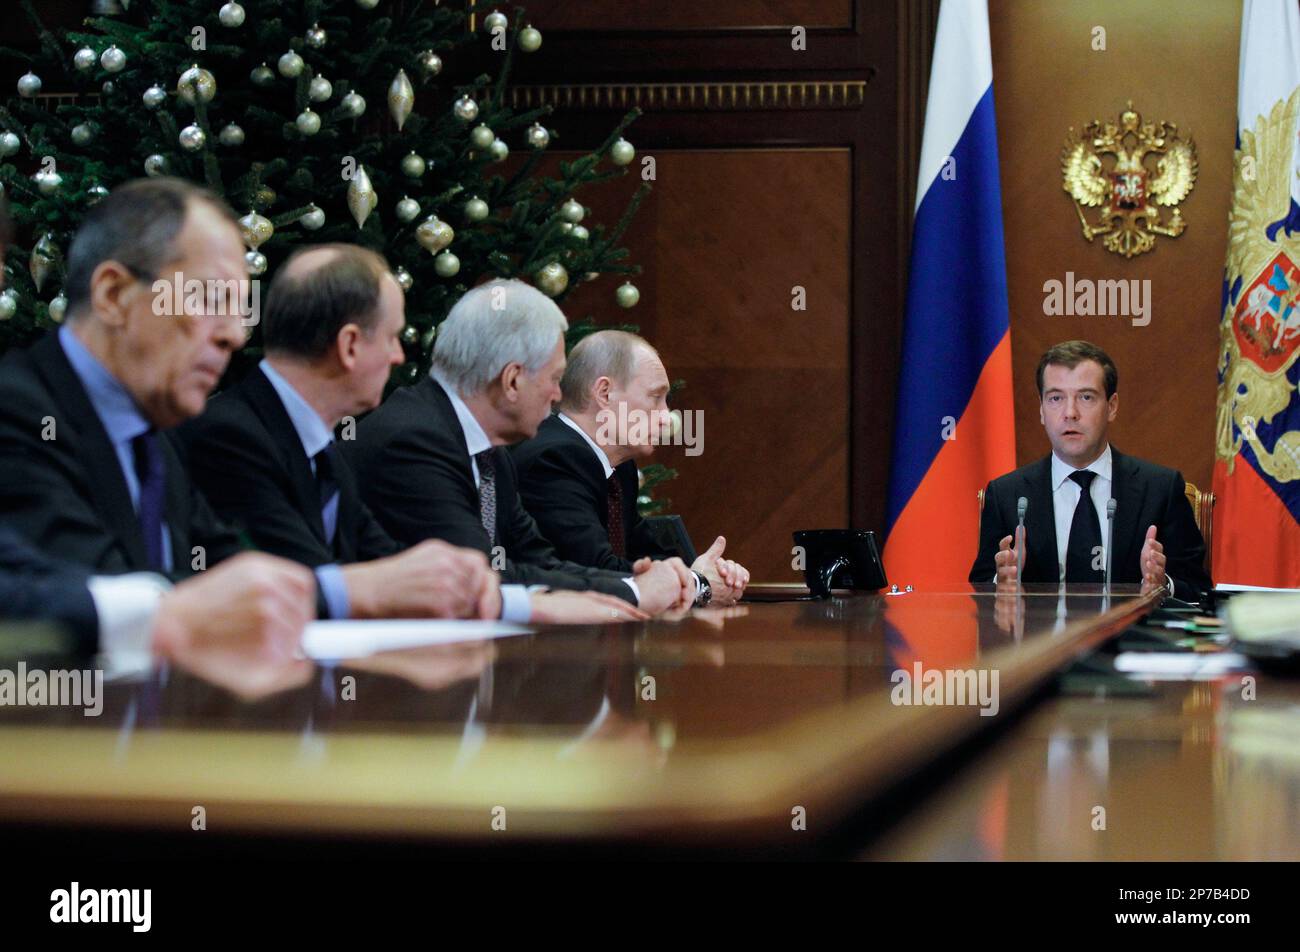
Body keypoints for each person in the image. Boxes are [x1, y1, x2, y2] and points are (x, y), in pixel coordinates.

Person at [178, 245, 643, 624]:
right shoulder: (233, 435)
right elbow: (309, 584)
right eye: (392, 338)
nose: (400, 358)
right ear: (350, 345)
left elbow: (393, 565)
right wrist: (530, 603)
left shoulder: (324, 448)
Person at [0, 187, 313, 658]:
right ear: (114, 294)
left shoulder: (154, 432)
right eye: (212, 299)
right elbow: (91, 591)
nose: (235, 333)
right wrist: (352, 591)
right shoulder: (19, 410)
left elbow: (228, 572)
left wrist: (352, 589)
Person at [343, 279, 695, 616]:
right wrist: (634, 591)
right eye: (555, 379)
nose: (558, 395)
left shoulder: (492, 453)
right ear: (512, 380)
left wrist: (641, 584)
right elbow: (477, 579)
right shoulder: (415, 441)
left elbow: (539, 562)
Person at [513, 330, 749, 605]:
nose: (666, 417)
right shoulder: (555, 458)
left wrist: (710, 573)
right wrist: (697, 583)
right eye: (655, 397)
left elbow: (644, 557)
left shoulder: (618, 470)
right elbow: (596, 571)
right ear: (604, 393)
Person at [969, 340, 1211, 600]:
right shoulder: (1006, 495)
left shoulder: (1160, 489)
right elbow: (979, 590)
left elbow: (1198, 590)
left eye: (1086, 397)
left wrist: (1163, 583)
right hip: (1042, 640)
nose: (1070, 413)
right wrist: (1001, 583)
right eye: (1055, 398)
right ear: (1041, 409)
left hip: (1131, 640)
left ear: (1112, 406)